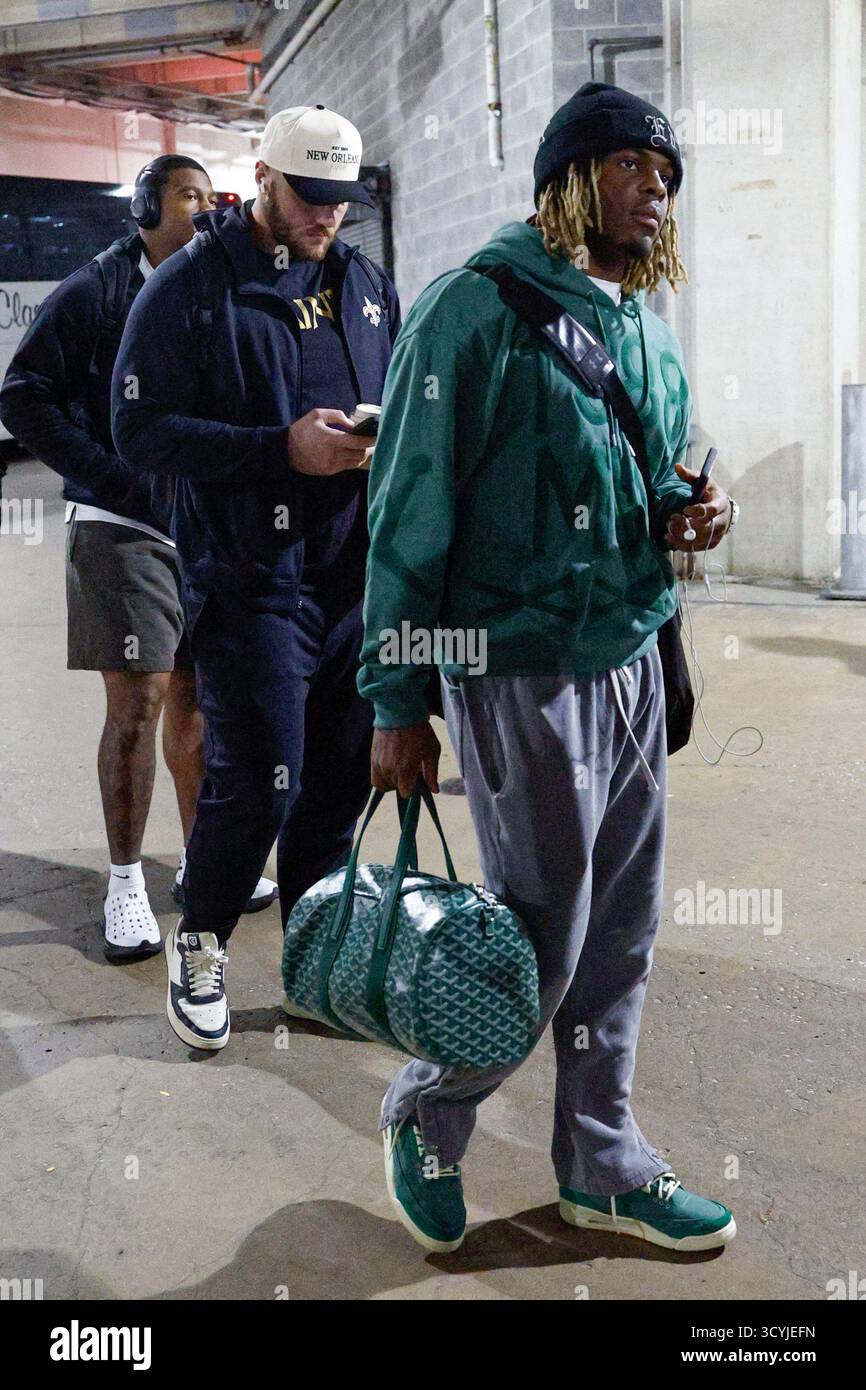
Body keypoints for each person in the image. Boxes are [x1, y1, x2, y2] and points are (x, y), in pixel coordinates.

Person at [359, 82, 741, 1254]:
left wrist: (694, 512)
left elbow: (665, 474)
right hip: (515, 669)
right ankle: (429, 1108)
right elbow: (406, 511)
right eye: (632, 167)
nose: (653, 191)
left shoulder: (641, 328)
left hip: (627, 658)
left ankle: (601, 1161)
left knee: (620, 930)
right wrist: (397, 698)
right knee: (539, 934)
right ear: (570, 177)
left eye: (665, 176)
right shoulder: (467, 313)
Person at [111, 106, 401, 1050]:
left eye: (340, 204)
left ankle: (315, 966)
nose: (326, 220)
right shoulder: (191, 289)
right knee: (256, 783)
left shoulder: (364, 285)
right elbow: (141, 432)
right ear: (264, 181)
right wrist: (280, 451)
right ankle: (199, 940)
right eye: (309, 200)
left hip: (352, 577)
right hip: (249, 578)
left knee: (333, 782)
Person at [0, 157, 277, 960]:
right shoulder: (94, 289)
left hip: (201, 522)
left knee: (193, 700)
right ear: (149, 207)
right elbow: (22, 395)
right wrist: (112, 476)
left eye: (208, 195)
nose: (204, 207)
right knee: (138, 705)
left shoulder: (209, 284)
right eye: (188, 194)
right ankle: (125, 886)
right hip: (120, 523)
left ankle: (200, 864)